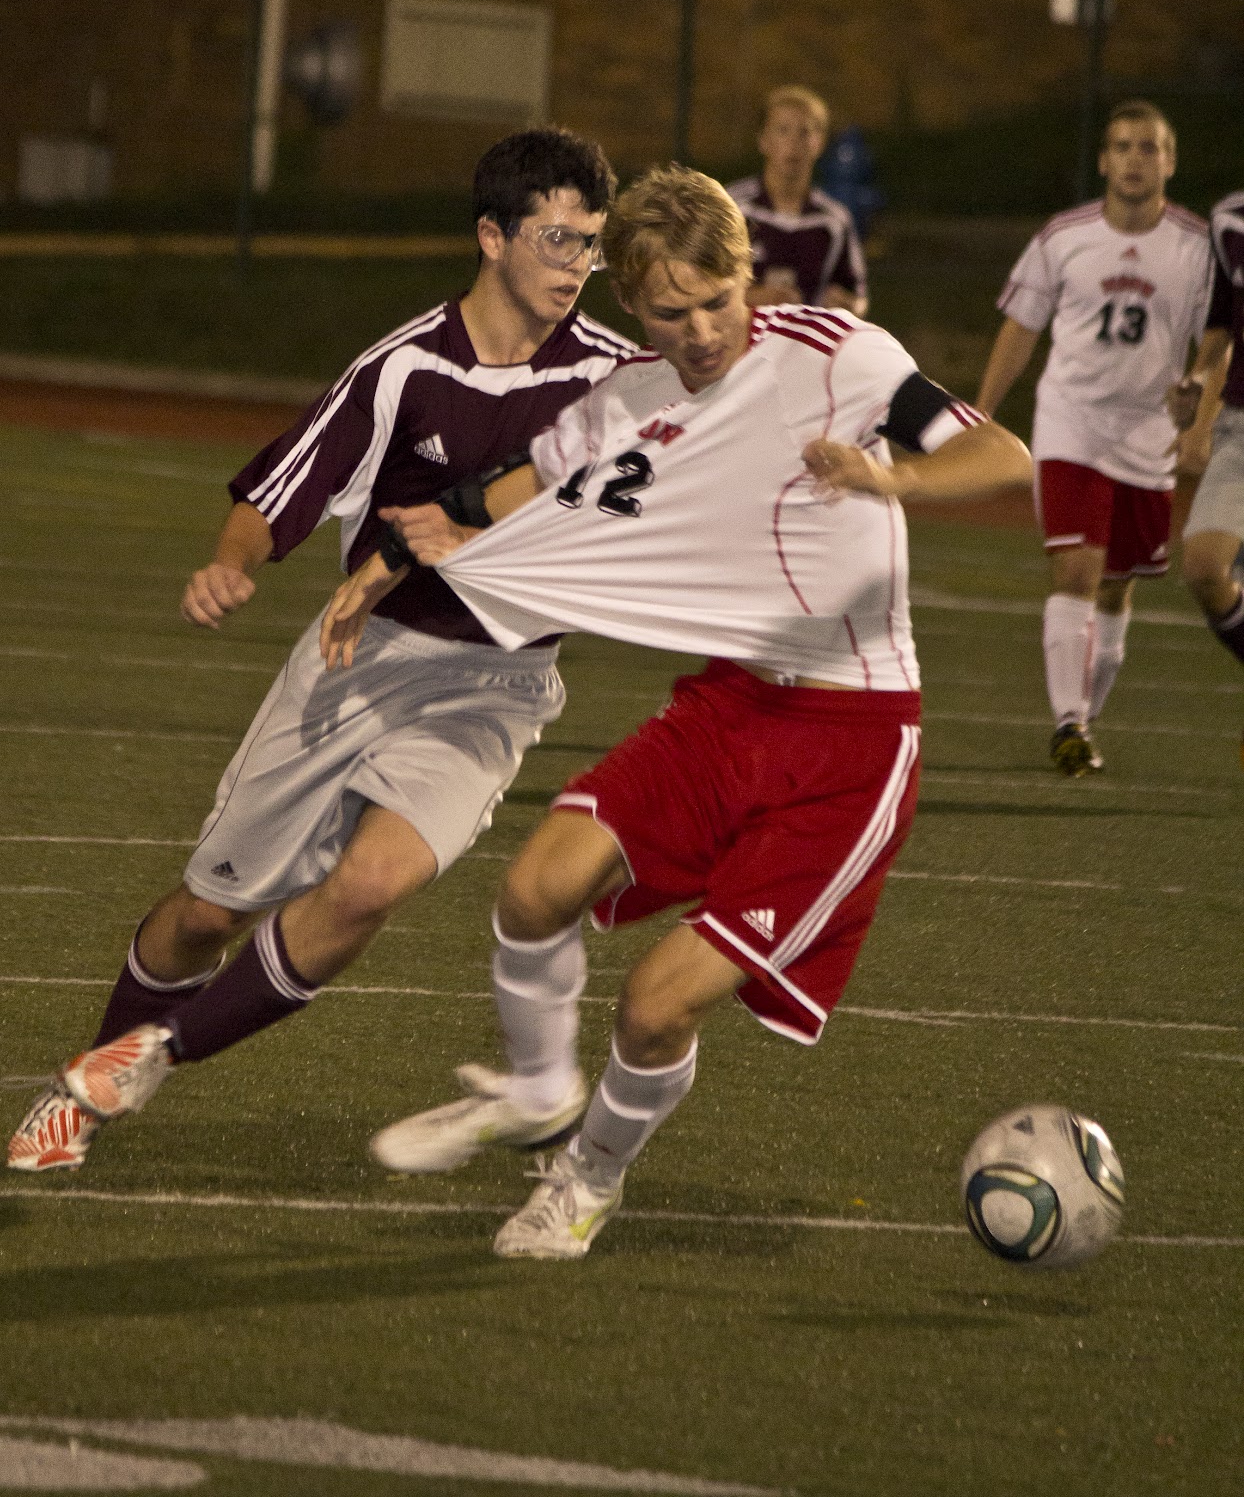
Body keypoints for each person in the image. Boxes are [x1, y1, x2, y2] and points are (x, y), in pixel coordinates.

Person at [321, 164, 1031, 1259]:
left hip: (851, 740)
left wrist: (894, 483)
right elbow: (511, 485)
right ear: (630, 308)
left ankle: (586, 1175)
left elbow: (1001, 455)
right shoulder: (627, 400)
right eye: (669, 310)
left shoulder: (843, 352)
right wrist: (384, 558)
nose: (700, 330)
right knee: (530, 888)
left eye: (717, 300)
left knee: (654, 1005)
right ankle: (540, 1086)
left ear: (745, 274)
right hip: (725, 707)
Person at [7, 127, 631, 1171]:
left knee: (372, 884)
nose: (575, 267)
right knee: (207, 911)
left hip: (495, 682)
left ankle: (134, 1067)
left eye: (590, 246)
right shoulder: (400, 370)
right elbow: (280, 487)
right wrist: (231, 561)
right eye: (557, 240)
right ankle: (97, 1055)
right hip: (360, 658)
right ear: (491, 235)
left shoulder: (616, 381)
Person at [974, 100, 1213, 777]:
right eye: (1123, 146)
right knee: (1076, 566)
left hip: (1149, 433)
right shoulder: (1064, 237)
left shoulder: (1196, 248)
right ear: (1104, 159)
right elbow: (1021, 325)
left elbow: (1217, 343)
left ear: (1169, 160)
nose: (1136, 159)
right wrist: (980, 413)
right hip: (1071, 421)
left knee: (1117, 587)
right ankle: (1067, 723)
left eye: (1150, 147)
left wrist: (1197, 398)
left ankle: (1085, 716)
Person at [1174, 188, 1244, 758]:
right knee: (1203, 565)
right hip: (1243, 422)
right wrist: (1199, 386)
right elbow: (1222, 324)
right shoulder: (1229, 220)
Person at [725, 84, 868, 315]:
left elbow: (859, 298)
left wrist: (846, 305)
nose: (794, 142)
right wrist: (753, 297)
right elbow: (703, 286)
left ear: (819, 143)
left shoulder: (834, 220)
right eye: (783, 130)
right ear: (763, 140)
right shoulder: (731, 206)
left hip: (808, 346)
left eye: (805, 132)